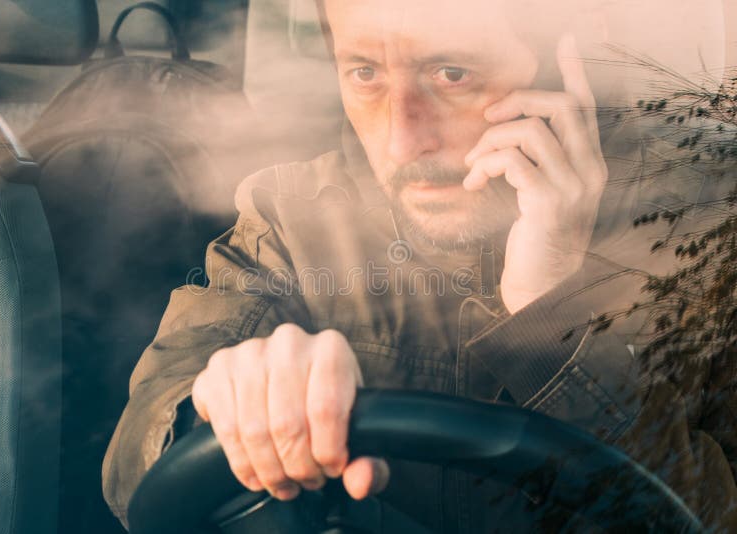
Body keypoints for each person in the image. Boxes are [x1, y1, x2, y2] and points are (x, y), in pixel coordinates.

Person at [103, 0, 737, 531]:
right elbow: (134, 468)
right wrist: (221, 410)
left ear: (564, 62)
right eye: (365, 73)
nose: (402, 141)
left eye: (452, 72)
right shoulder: (292, 219)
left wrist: (554, 321)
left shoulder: (701, 229)